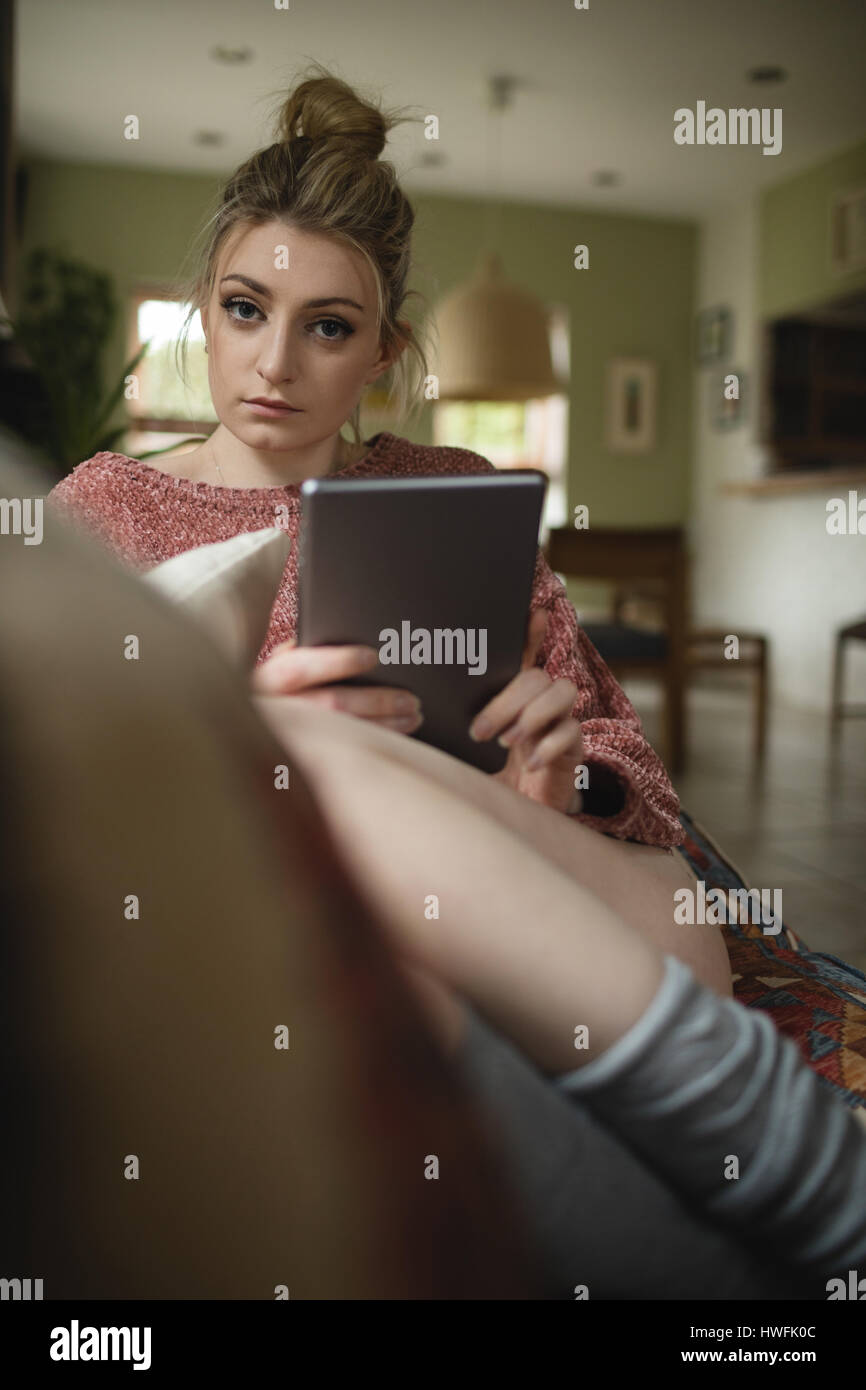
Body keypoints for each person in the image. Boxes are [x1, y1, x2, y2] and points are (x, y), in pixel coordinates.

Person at [45, 63, 730, 998]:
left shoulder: (452, 494)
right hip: (226, 898)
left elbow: (631, 771)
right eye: (246, 309)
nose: (274, 364)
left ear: (382, 354)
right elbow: (42, 782)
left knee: (680, 914)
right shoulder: (104, 508)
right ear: (205, 310)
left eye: (328, 328)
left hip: (473, 871)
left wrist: (558, 785)